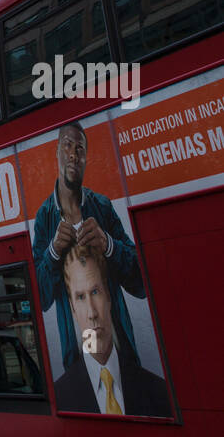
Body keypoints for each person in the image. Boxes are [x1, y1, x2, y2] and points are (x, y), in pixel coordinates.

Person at [32, 120, 146, 372]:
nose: (73, 154)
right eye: (67, 146)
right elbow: (38, 299)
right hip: (78, 365)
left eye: (80, 149)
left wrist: (109, 245)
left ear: (86, 159)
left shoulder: (102, 207)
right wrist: (52, 254)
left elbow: (141, 283)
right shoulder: (44, 218)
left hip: (123, 356)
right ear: (57, 153)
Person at [54, 245, 170, 417]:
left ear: (108, 297)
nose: (92, 313)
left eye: (95, 292)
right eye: (80, 297)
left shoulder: (158, 391)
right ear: (72, 309)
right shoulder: (59, 399)